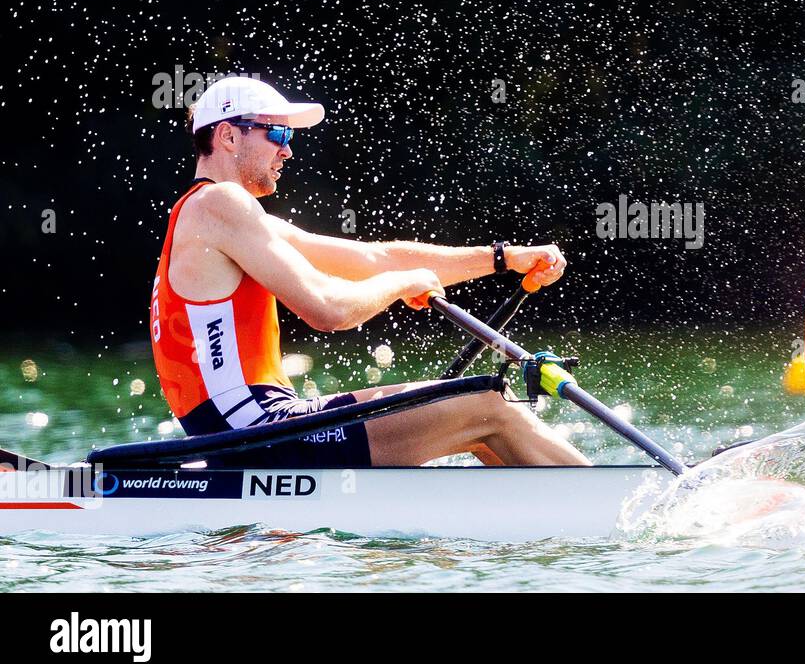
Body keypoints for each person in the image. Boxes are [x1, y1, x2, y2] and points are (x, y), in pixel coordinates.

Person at [150, 76, 590, 468]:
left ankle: (534, 535)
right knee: (488, 405)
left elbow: (375, 258)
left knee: (484, 425)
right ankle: (603, 521)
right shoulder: (220, 204)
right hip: (257, 433)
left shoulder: (220, 218)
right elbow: (329, 310)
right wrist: (402, 286)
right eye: (277, 133)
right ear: (228, 135)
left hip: (255, 430)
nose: (287, 149)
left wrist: (504, 258)